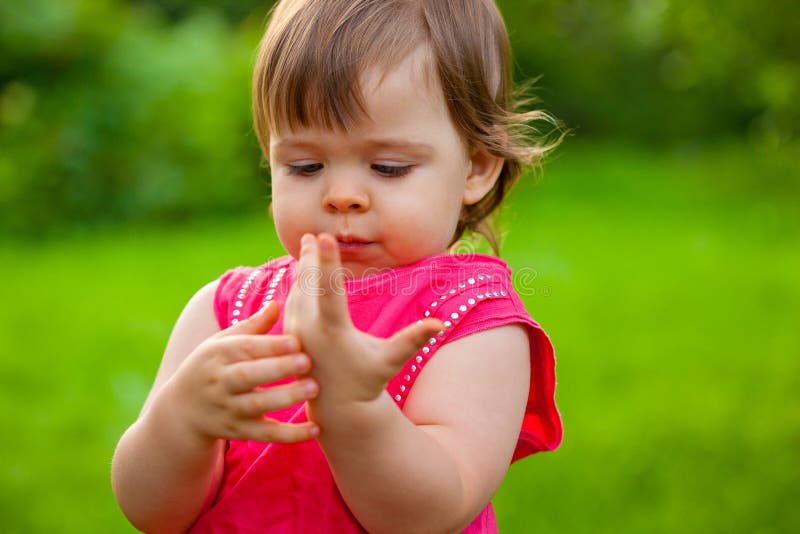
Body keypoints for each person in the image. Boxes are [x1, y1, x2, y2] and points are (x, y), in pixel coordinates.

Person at [112, 0, 563, 532]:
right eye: (305, 166)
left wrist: (353, 408)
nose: (342, 194)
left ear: (476, 168)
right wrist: (180, 423)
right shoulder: (229, 314)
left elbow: (431, 515)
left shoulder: (471, 324)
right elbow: (152, 513)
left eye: (388, 167)